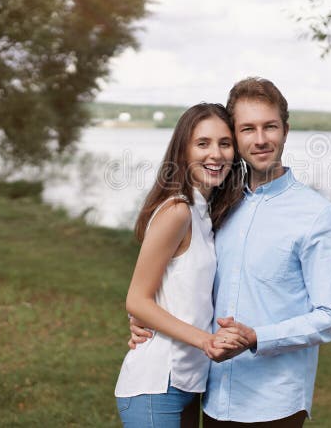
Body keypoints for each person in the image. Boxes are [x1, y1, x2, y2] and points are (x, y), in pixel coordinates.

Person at [131, 78, 331, 427]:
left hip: (274, 401)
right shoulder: (218, 205)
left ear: (286, 130)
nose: (260, 139)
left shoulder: (317, 215)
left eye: (270, 126)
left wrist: (257, 337)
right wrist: (147, 315)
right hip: (212, 394)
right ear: (235, 137)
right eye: (248, 128)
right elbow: (187, 279)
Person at [114, 103, 249, 428]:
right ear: (183, 150)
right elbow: (137, 300)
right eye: (202, 143)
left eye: (224, 143)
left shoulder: (204, 212)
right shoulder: (177, 211)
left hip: (189, 383)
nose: (215, 154)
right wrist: (206, 340)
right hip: (157, 383)